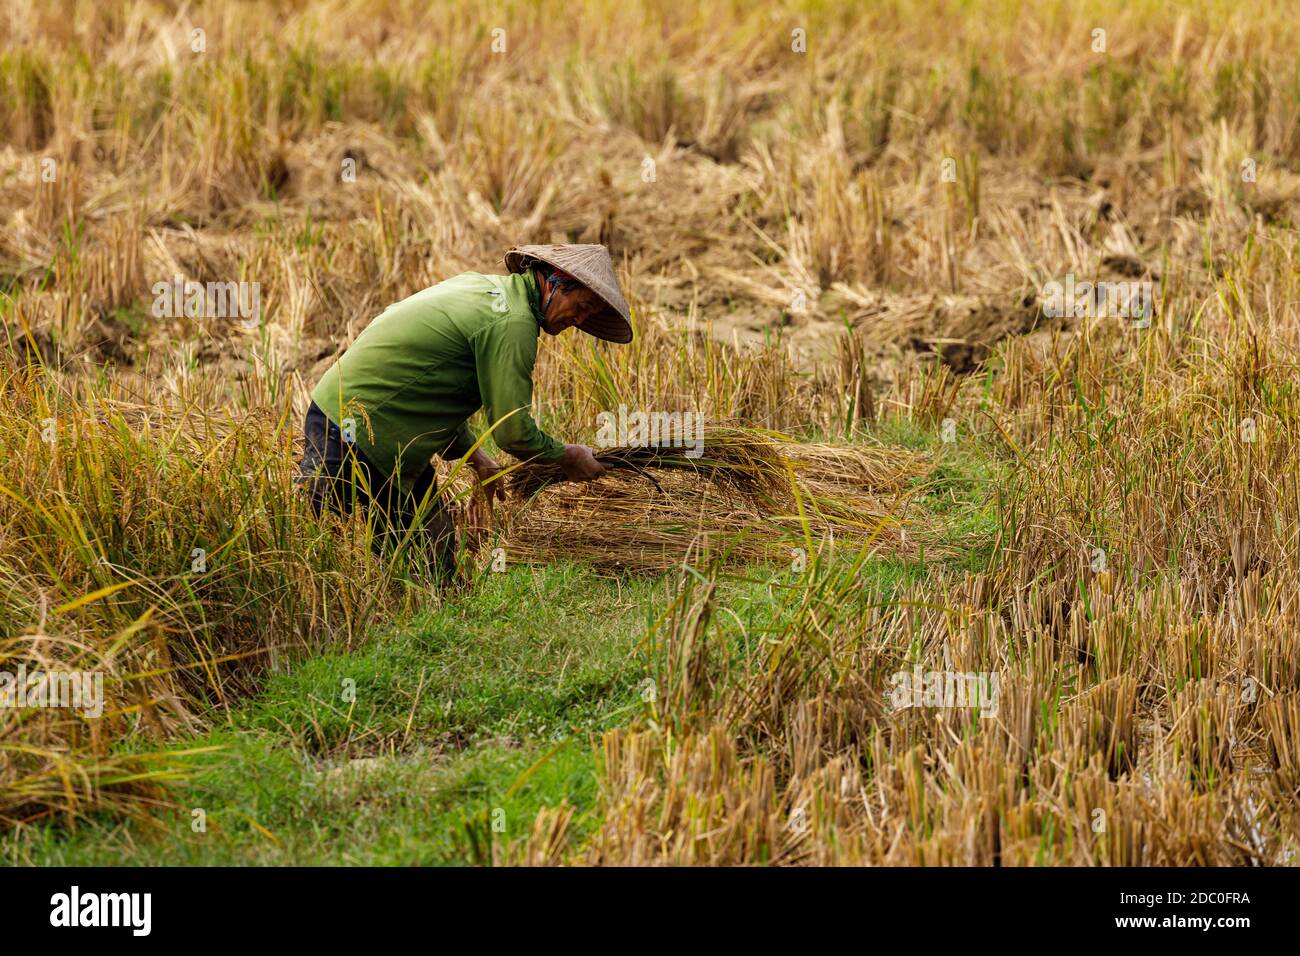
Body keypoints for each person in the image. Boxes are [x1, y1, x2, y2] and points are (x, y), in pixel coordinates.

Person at [297, 243, 633, 578]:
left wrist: (477, 458)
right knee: (320, 557)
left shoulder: (483, 287)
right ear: (556, 281)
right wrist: (567, 456)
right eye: (583, 306)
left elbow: (430, 384)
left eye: (589, 315)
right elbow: (512, 431)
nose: (579, 319)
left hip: (345, 416)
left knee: (434, 564)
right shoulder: (513, 323)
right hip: (353, 433)